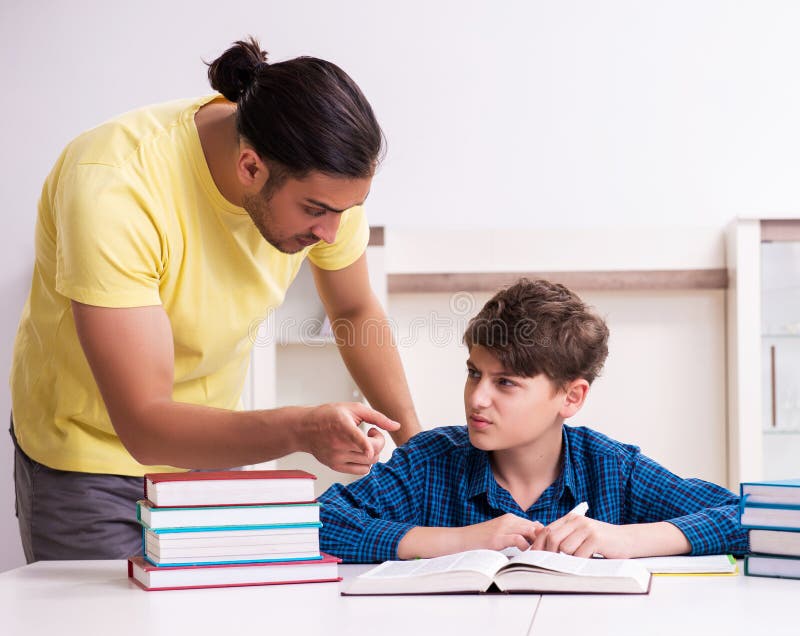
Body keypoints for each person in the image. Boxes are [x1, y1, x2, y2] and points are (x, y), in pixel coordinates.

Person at [9, 37, 421, 562]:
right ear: (251, 167)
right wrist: (301, 428)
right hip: (89, 463)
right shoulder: (115, 189)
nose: (333, 233)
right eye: (316, 211)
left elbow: (353, 309)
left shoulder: (326, 180)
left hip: (208, 452)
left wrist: (414, 449)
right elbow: (146, 424)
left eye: (348, 210)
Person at [318, 278, 749, 562]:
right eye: (474, 373)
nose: (477, 398)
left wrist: (627, 539)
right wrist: (461, 543)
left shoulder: (613, 470)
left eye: (505, 383)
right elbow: (317, 525)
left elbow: (751, 518)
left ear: (571, 396)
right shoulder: (429, 461)